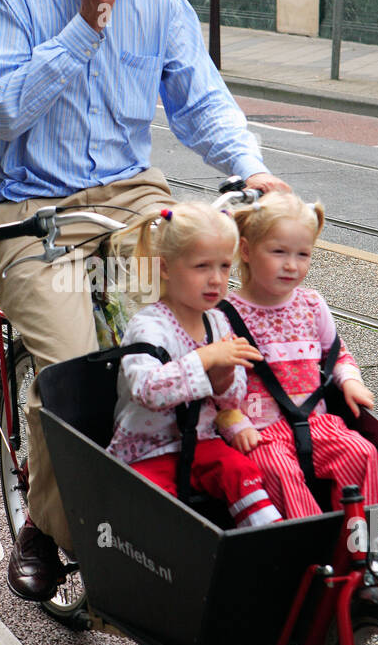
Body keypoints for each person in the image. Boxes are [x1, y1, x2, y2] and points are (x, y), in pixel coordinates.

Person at [0, 0, 289, 602]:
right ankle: (45, 529)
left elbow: (198, 98)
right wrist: (81, 27)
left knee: (202, 327)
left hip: (132, 198)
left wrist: (249, 167)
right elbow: (1, 108)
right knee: (76, 374)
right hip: (31, 213)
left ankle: (205, 492)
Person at [217, 192, 378, 518]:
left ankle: (367, 546)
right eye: (278, 252)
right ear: (246, 250)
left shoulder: (311, 304)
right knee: (279, 473)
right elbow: (216, 385)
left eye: (303, 254)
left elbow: (336, 354)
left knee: (362, 452)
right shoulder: (224, 314)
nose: (291, 265)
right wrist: (235, 424)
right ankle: (309, 549)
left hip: (317, 422)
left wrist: (350, 381)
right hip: (259, 430)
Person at [108, 203, 281, 528]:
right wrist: (204, 359)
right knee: (156, 501)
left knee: (241, 472)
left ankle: (267, 541)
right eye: (201, 266)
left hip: (202, 441)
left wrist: (226, 373)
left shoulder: (217, 321)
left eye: (225, 266)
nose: (216, 280)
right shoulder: (149, 325)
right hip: (147, 450)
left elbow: (231, 401)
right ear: (166, 267)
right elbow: (148, 391)